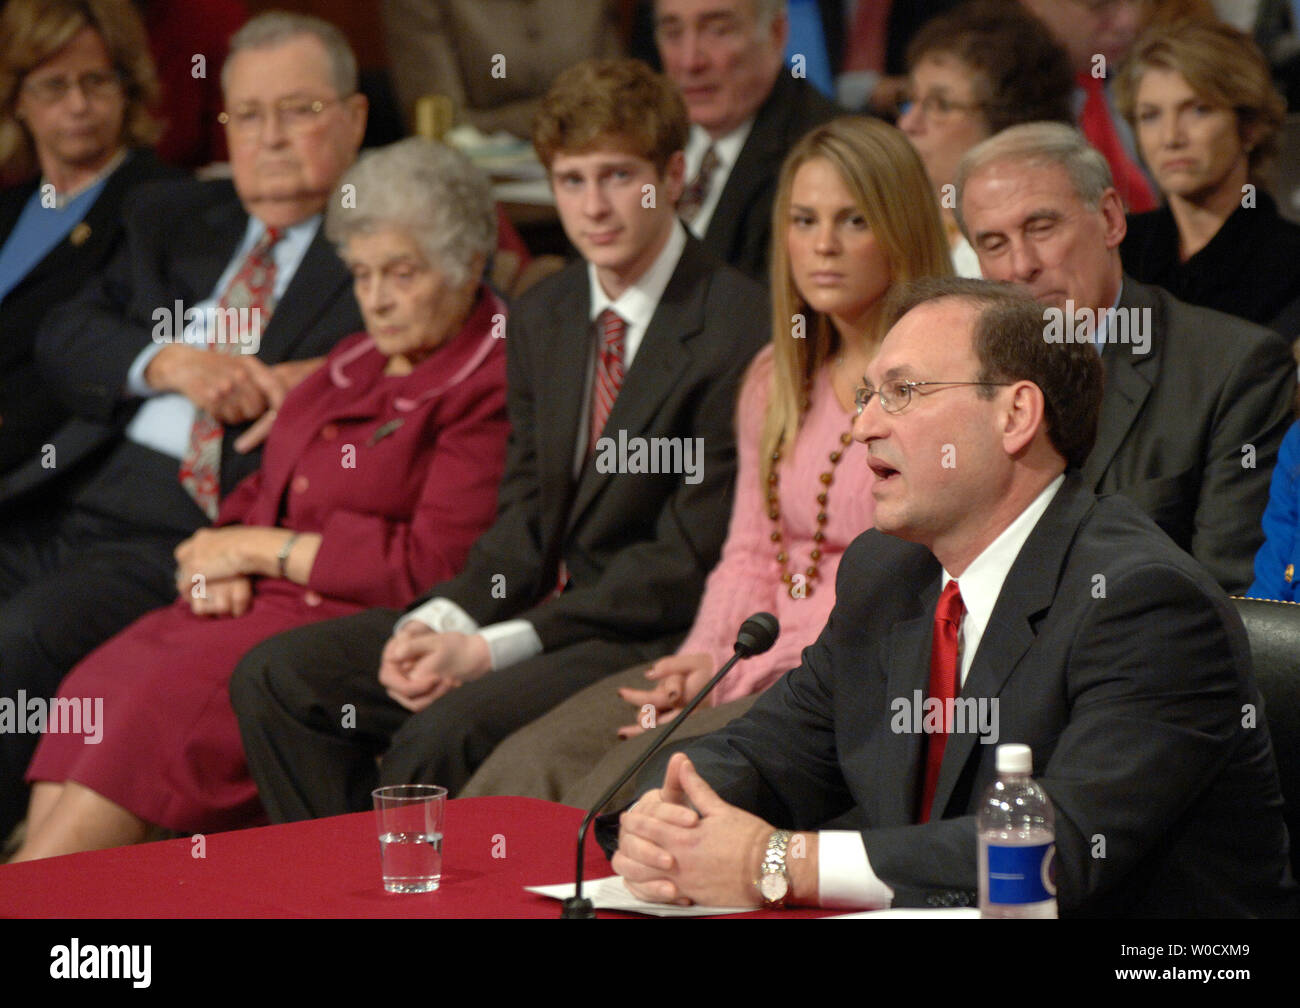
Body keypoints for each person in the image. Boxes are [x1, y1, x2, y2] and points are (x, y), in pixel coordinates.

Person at [611, 277, 1296, 916]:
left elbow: (1059, 851)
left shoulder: (1145, 602)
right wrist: (676, 807)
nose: (863, 427)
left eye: (903, 392)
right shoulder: (887, 574)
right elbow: (772, 748)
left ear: (1016, 414)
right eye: (867, 396)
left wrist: (781, 860)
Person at [230, 58, 769, 818]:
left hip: (643, 635)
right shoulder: (545, 314)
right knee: (277, 678)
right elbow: (519, 515)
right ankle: (350, 887)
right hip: (526, 612)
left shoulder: (738, 326)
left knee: (438, 736)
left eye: (617, 176)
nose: (595, 207)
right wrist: (442, 620)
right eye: (571, 181)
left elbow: (678, 565)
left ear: (673, 176)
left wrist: (493, 646)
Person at [11, 138, 509, 861]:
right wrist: (207, 557)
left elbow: (429, 563)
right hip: (252, 598)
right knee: (99, 679)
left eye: (402, 273)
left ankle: (34, 893)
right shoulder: (356, 356)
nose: (376, 298)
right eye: (363, 273)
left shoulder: (486, 379)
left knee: (150, 712)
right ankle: (38, 892)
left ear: (466, 263)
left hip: (346, 618)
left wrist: (253, 548)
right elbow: (265, 477)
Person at [461, 116, 952, 808]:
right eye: (804, 220)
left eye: (854, 221)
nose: (823, 247)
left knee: (617, 794)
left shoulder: (930, 390)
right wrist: (703, 659)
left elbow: (904, 582)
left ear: (900, 229)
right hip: (745, 659)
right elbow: (749, 551)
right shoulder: (771, 377)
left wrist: (744, 674)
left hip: (842, 677)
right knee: (527, 767)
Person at [0, 11, 367, 843]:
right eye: (249, 115)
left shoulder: (381, 246)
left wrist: (313, 381)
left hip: (184, 526)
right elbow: (67, 335)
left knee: (19, 641)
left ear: (353, 119)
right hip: (71, 491)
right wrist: (168, 362)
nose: (269, 139)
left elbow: (414, 364)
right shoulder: (178, 217)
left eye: (299, 111)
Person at [955, 121, 1294, 594]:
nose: (1021, 265)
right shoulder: (962, 378)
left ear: (1112, 219)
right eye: (994, 244)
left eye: (1042, 227)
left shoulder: (1231, 367)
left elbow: (1226, 602)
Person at [0, 0, 179, 475]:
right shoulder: (10, 207)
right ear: (18, 97)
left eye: (97, 81)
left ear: (128, 88)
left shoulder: (161, 205)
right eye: (55, 85)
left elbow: (110, 360)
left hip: (52, 472)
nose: (78, 105)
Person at [1116, 18, 1300, 334]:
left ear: (1250, 127)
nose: (1171, 138)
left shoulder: (1290, 263)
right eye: (1150, 116)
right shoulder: (1118, 252)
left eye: (1198, 110)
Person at [655, 0, 841, 280]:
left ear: (776, 32)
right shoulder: (643, 135)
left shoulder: (829, 152)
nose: (689, 61)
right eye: (673, 33)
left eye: (717, 31)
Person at [896, 0, 1074, 277]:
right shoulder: (886, 223)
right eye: (910, 100)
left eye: (940, 105)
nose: (908, 123)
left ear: (1005, 121)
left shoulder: (1034, 255)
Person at [381, 0, 623, 140]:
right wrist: (570, 114)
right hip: (480, 195)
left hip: (595, 172)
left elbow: (621, 103)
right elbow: (443, 127)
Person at [1018, 0, 1158, 212]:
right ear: (1032, 6)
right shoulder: (992, 103)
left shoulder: (1149, 74)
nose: (1128, 22)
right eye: (1099, 6)